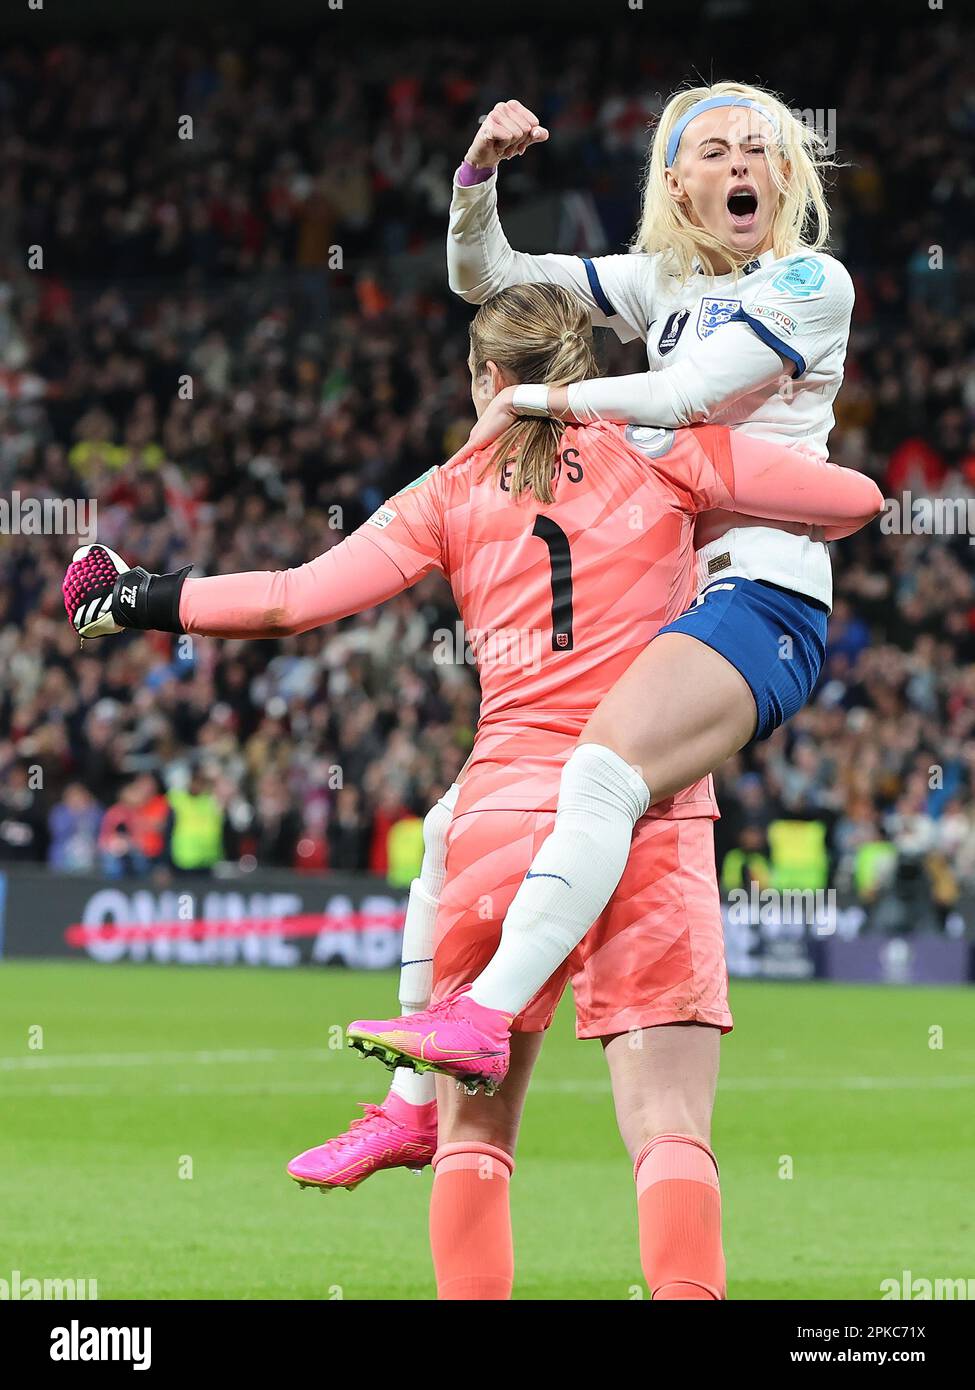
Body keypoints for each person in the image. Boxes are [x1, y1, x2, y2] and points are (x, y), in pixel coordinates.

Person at [63, 284, 881, 1299]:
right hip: (653, 811)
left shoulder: (450, 489)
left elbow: (289, 600)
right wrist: (695, 449)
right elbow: (851, 502)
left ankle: (410, 1114)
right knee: (670, 1131)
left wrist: (132, 596)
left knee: (477, 1137)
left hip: (500, 811)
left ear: (485, 379)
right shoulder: (666, 451)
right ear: (582, 372)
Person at [352, 81, 865, 1093]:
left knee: (596, 776)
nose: (738, 165)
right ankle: (411, 1101)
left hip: (759, 591)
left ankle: (484, 1019)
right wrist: (477, 176)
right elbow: (489, 281)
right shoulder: (657, 284)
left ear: (786, 173)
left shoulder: (813, 280)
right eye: (711, 150)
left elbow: (687, 397)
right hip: (667, 606)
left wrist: (541, 397)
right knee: (464, 813)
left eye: (757, 149)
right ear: (675, 180)